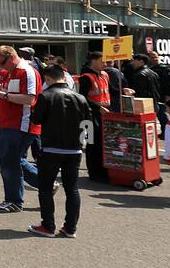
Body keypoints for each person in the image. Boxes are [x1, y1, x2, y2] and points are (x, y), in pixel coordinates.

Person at [28, 65, 92, 237]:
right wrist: (85, 144)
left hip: (51, 148)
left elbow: (36, 120)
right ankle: (70, 228)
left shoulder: (46, 96)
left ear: (47, 79)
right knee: (72, 189)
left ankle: (48, 226)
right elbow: (88, 124)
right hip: (75, 150)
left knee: (46, 188)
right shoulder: (80, 97)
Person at [0, 45, 43, 212]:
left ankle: (14, 200)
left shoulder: (26, 71)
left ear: (11, 56)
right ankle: (44, 184)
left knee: (10, 163)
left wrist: (2, 95)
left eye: (2, 63)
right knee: (14, 160)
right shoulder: (12, 72)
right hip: (11, 123)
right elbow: (4, 89)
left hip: (22, 124)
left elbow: (30, 99)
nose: (1, 67)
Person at [78, 52, 112, 182]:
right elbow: (83, 98)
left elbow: (111, 90)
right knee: (92, 144)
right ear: (94, 61)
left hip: (103, 114)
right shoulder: (86, 77)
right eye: (102, 61)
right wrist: (97, 107)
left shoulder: (105, 75)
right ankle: (94, 172)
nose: (105, 64)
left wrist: (124, 89)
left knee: (102, 143)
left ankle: (103, 170)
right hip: (90, 115)